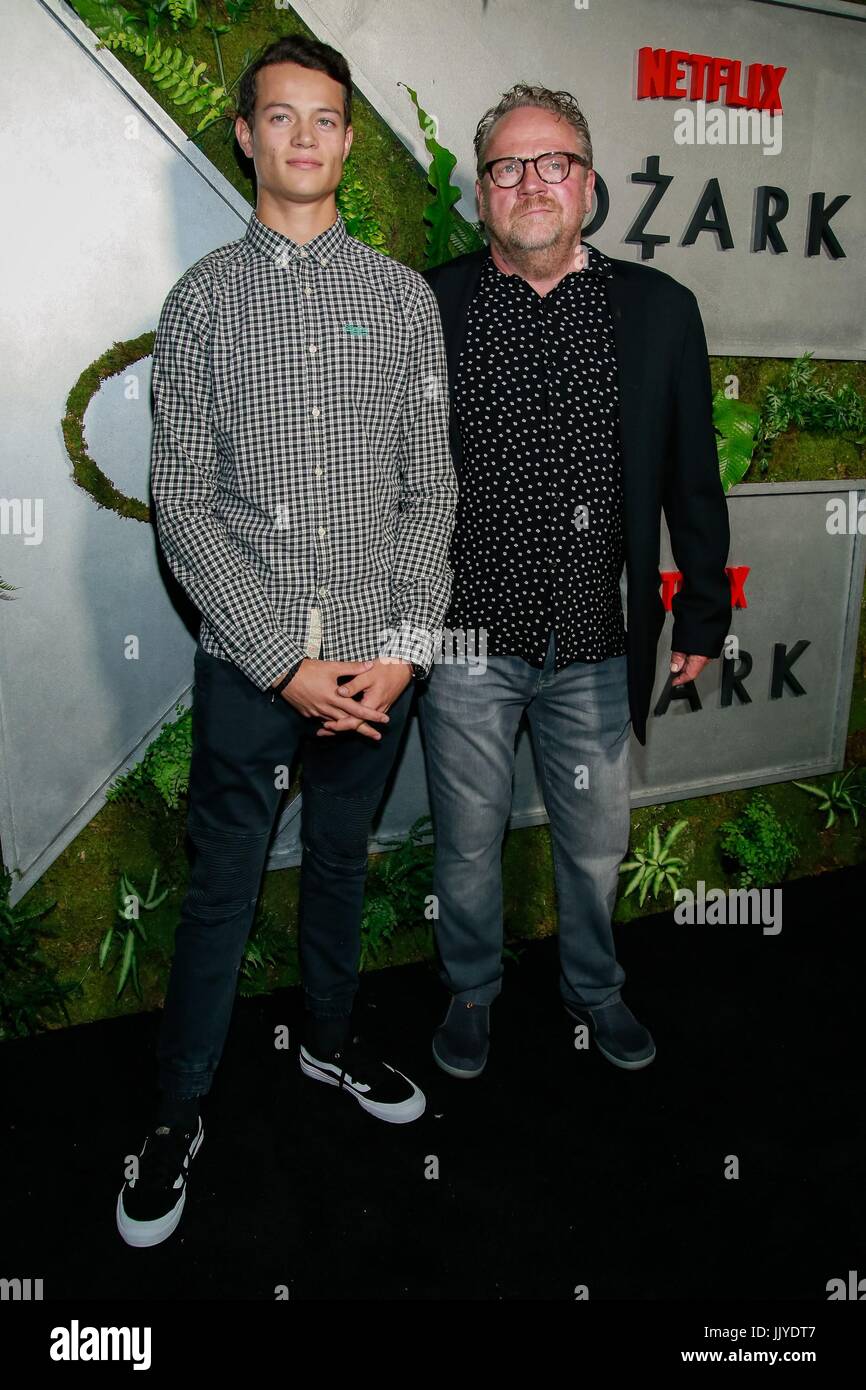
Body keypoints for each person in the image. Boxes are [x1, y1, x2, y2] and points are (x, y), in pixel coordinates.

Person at [117, 35, 457, 1248]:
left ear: (348, 141)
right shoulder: (199, 302)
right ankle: (176, 1112)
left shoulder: (403, 302)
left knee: (341, 862)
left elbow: (433, 492)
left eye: (326, 118)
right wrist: (282, 661)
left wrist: (405, 650)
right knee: (219, 891)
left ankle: (325, 1043)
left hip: (381, 667)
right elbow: (182, 502)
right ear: (246, 136)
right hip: (255, 667)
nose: (304, 137)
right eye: (282, 117)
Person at [418, 84, 731, 1080]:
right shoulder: (435, 303)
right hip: (466, 642)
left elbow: (691, 478)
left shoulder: (657, 311)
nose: (530, 183)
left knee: (594, 844)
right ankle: (471, 989)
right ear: (483, 195)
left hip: (596, 644)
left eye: (552, 162)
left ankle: (594, 989)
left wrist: (701, 611)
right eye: (507, 167)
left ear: (587, 186)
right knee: (465, 848)